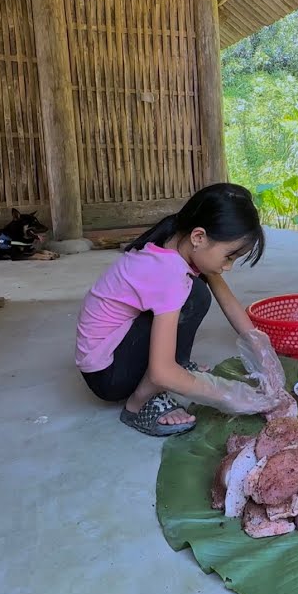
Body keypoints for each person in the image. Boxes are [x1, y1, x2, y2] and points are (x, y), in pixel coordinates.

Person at [74, 183, 281, 436]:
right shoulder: (168, 273)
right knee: (192, 297)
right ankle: (137, 405)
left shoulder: (177, 239)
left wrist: (260, 348)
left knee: (197, 292)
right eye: (229, 257)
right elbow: (161, 373)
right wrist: (230, 395)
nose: (228, 267)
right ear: (199, 237)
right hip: (109, 375)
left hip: (111, 348)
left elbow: (225, 297)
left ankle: (176, 366)